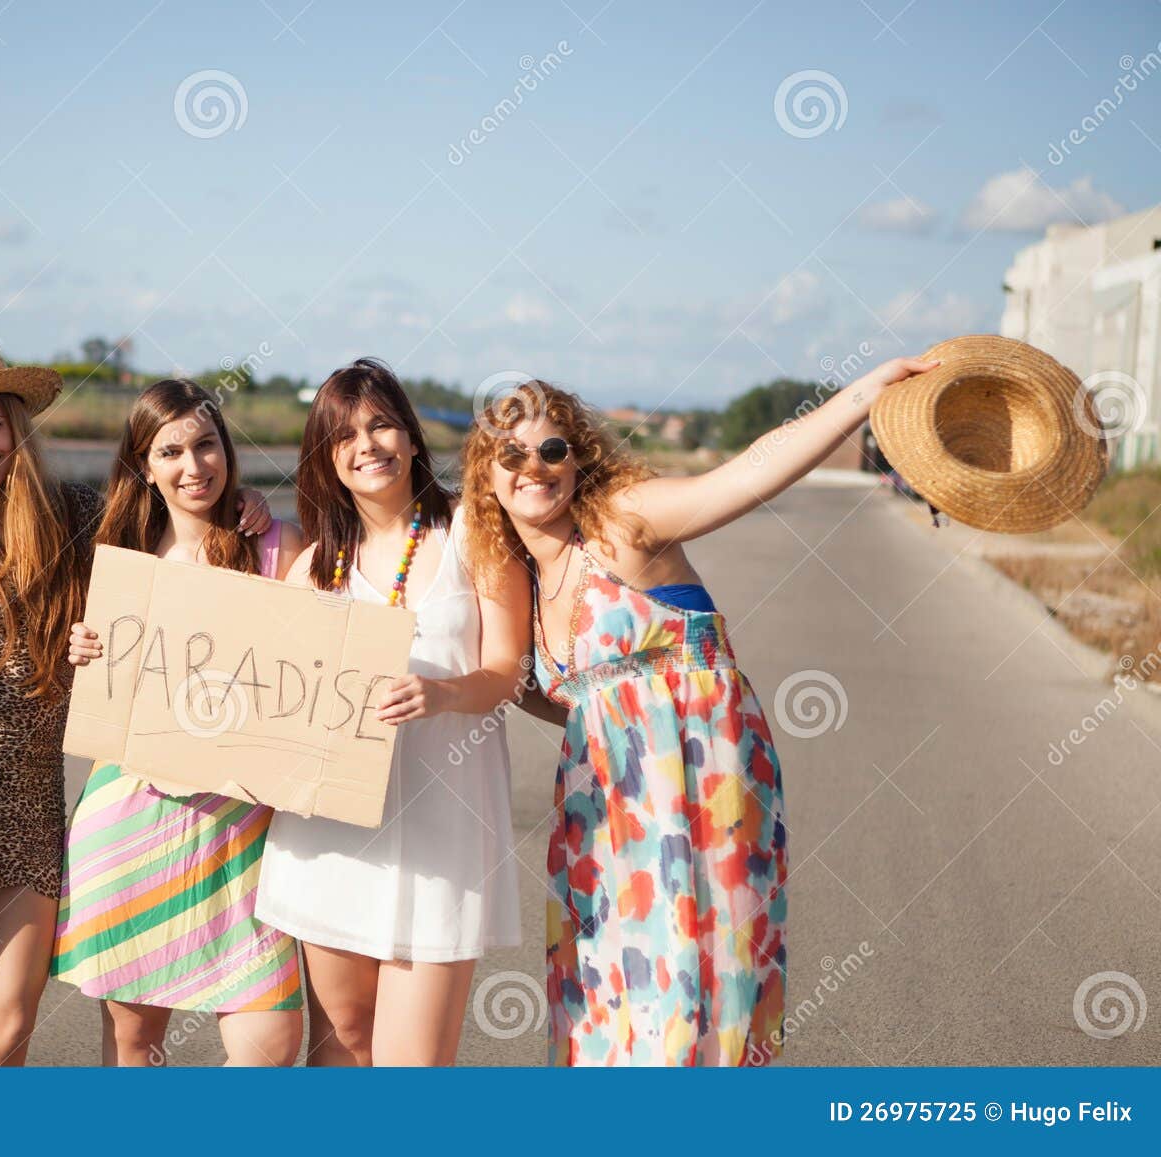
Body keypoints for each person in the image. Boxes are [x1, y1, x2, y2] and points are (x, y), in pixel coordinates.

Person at [457, 358, 938, 1066]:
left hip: (704, 780)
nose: (535, 465)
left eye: (553, 448)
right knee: (606, 991)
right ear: (486, 472)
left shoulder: (622, 523)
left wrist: (863, 395)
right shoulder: (518, 583)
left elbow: (746, 475)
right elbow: (548, 691)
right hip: (605, 804)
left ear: (578, 456)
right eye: (512, 453)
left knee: (698, 987)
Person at [0, 357, 272, 1066]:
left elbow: (174, 532)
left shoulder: (77, 515)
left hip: (36, 792)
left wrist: (243, 501)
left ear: (18, 429)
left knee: (8, 1028)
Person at [253, 357, 529, 1067]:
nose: (367, 444)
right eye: (344, 434)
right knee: (342, 1040)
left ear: (410, 436)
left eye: (381, 424)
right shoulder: (313, 568)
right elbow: (262, 695)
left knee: (413, 1068)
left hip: (444, 837)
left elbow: (506, 670)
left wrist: (441, 694)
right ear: (326, 458)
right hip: (330, 842)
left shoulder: (472, 533)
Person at [54, 378, 307, 1067]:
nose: (194, 465)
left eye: (206, 444)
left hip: (246, 832)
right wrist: (84, 650)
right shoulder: (123, 557)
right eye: (171, 451)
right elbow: (105, 691)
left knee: (271, 1051)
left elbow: (314, 670)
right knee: (135, 1047)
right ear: (144, 465)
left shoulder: (277, 546)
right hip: (133, 819)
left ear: (228, 448)